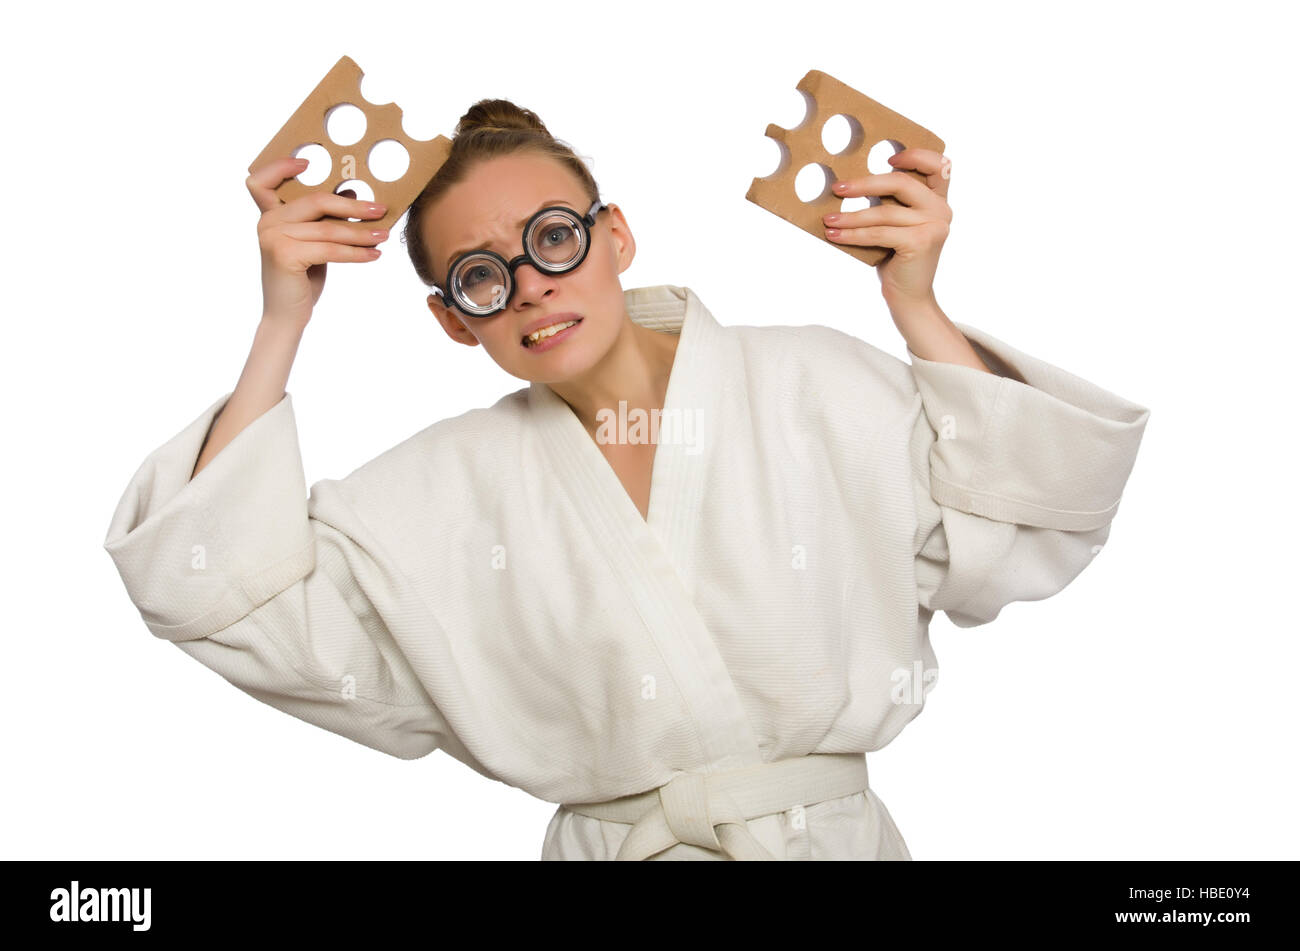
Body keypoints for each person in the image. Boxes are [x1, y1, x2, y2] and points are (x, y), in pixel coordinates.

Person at [103, 98, 1151, 860]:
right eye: (480, 274)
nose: (531, 288)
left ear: (613, 235)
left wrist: (916, 306)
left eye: (552, 238)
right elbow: (216, 590)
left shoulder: (811, 381)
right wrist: (283, 317)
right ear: (452, 320)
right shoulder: (438, 492)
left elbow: (1021, 525)